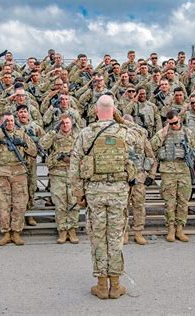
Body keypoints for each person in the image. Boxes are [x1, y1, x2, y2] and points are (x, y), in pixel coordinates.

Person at [70, 95, 137, 300]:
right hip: (118, 191)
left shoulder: (86, 133)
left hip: (95, 192)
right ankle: (115, 286)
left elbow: (75, 164)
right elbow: (137, 159)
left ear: (96, 110)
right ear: (114, 110)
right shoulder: (126, 132)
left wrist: (78, 193)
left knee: (98, 238)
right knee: (116, 238)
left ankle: (101, 285)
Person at [150, 110, 195, 242]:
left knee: (183, 202)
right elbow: (151, 147)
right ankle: (171, 229)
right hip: (168, 171)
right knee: (170, 202)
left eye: (175, 122)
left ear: (179, 119)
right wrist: (163, 132)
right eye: (171, 124)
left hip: (184, 170)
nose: (174, 126)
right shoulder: (162, 133)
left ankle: (180, 229)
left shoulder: (187, 133)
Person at [0, 112, 36, 246]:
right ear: (2, 123)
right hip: (2, 173)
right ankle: (6, 233)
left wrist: (23, 145)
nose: (10, 123)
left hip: (19, 172)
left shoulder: (21, 134)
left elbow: (33, 151)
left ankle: (16, 232)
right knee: (3, 205)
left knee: (19, 204)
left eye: (11, 121)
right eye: (6, 121)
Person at [40, 114, 80, 244]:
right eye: (62, 123)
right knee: (60, 204)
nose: (65, 125)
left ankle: (72, 230)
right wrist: (53, 130)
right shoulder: (54, 135)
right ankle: (62, 230)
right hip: (57, 174)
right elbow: (42, 145)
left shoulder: (78, 136)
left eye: (67, 123)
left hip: (73, 174)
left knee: (73, 204)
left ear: (72, 124)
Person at [122, 114, 157, 245]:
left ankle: (138, 232)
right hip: (124, 177)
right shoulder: (120, 137)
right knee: (122, 207)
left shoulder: (142, 137)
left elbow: (152, 157)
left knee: (139, 206)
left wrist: (151, 175)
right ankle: (124, 232)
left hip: (139, 177)